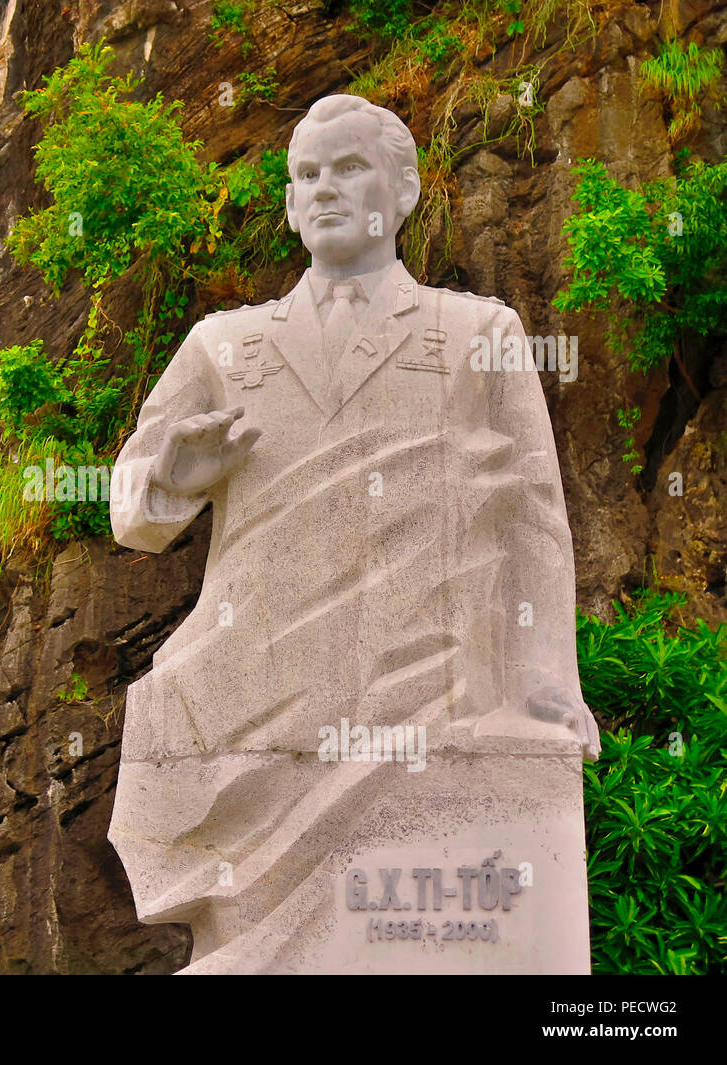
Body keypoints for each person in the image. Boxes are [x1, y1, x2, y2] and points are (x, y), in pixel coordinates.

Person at [107, 94, 598, 974]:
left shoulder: (480, 331)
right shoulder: (225, 345)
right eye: (306, 176)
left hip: (423, 694)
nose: (324, 189)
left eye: (348, 168)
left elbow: (532, 517)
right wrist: (167, 484)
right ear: (291, 205)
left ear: (403, 190)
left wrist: (544, 678)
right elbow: (129, 508)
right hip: (257, 705)